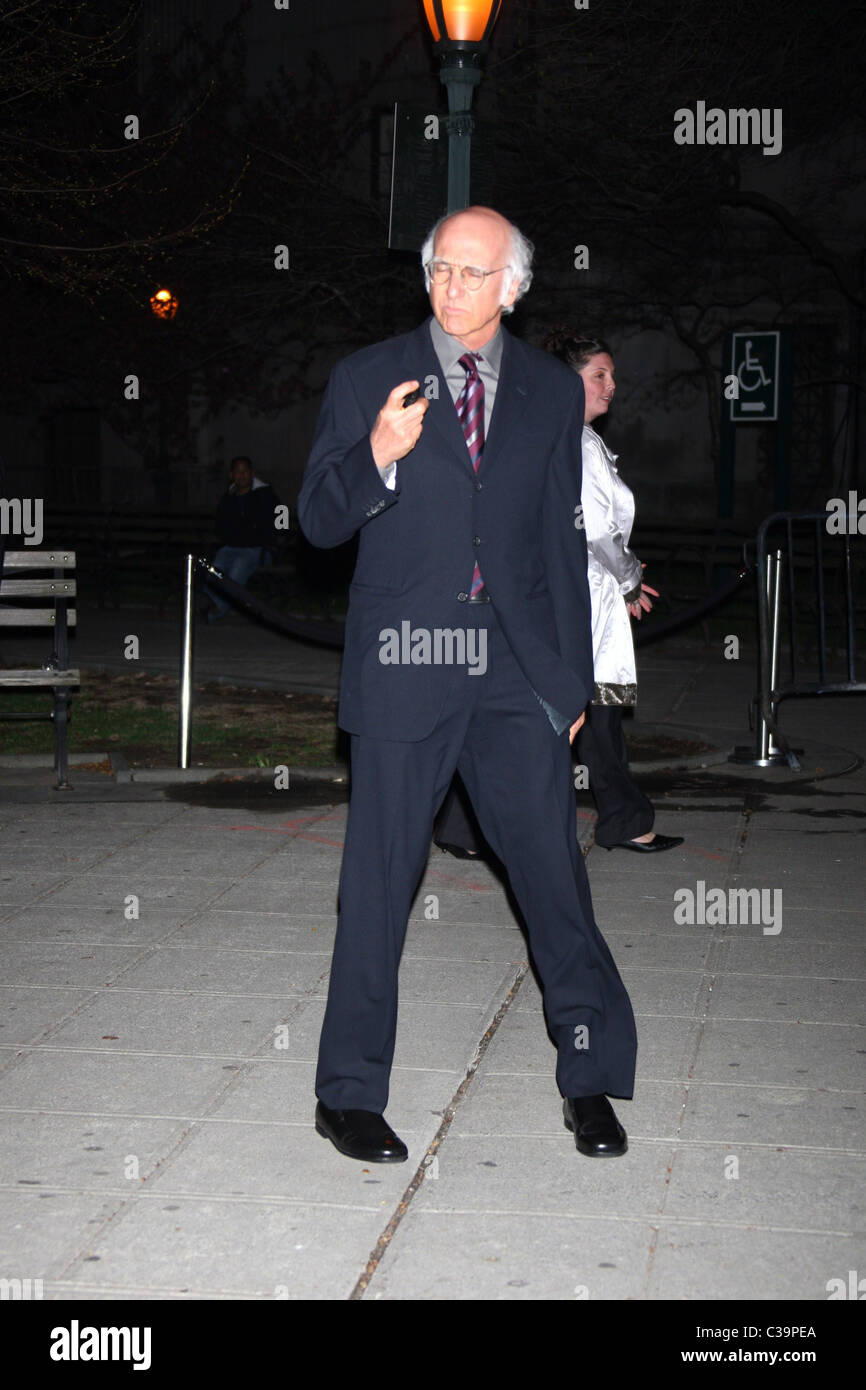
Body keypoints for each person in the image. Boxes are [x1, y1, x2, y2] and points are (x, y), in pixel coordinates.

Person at [298, 206, 637, 1166]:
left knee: (554, 883)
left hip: (514, 672)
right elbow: (316, 519)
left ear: (515, 288)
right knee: (378, 884)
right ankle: (349, 1095)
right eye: (441, 268)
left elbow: (557, 544)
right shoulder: (370, 376)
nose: (453, 287)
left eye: (474, 274)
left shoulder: (545, 391)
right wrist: (375, 456)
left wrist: (568, 682)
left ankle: (591, 1078)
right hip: (407, 655)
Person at [435, 331, 684, 856]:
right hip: (580, 599)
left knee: (578, 718)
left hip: (573, 593)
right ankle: (623, 819)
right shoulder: (572, 440)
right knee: (593, 714)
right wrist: (631, 579)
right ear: (566, 379)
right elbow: (595, 530)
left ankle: (465, 826)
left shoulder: (561, 434)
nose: (611, 386)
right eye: (599, 375)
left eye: (613, 376)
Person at [204, 456, 280, 620]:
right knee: (214, 569)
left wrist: (273, 539)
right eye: (237, 472)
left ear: (252, 474)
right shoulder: (228, 499)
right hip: (232, 547)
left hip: (257, 550)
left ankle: (215, 611)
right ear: (231, 475)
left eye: (245, 471)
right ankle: (215, 604)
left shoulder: (266, 495)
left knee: (238, 569)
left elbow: (280, 520)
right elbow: (221, 526)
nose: (241, 475)